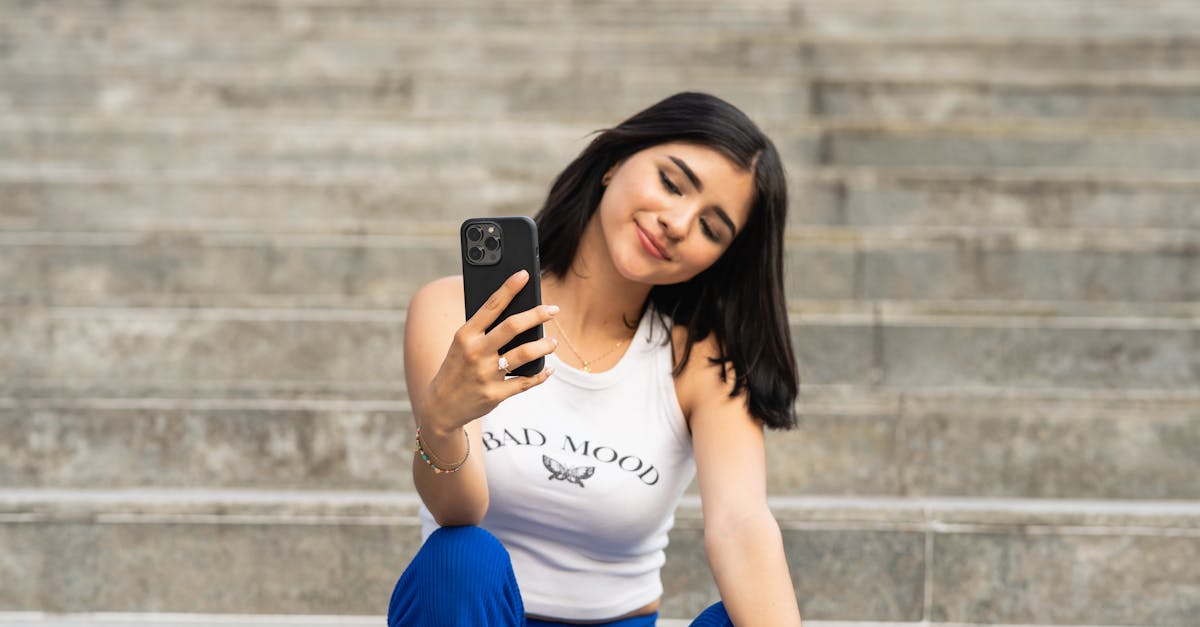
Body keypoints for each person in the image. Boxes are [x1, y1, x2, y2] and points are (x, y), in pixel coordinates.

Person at [390, 92, 803, 626]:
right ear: (613, 165)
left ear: (722, 258)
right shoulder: (452, 312)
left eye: (711, 227)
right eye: (672, 183)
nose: (678, 221)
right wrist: (443, 420)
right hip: (471, 612)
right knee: (463, 556)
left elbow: (742, 524)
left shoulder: (702, 362)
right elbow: (456, 513)